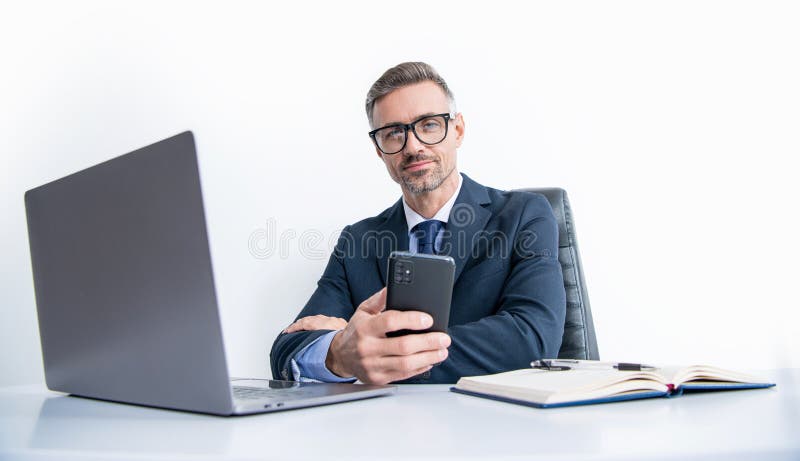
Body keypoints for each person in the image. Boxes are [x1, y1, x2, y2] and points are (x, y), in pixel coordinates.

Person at [270, 62, 566, 385]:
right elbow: (287, 349)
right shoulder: (357, 242)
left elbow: (533, 339)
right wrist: (339, 353)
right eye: (394, 133)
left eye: (429, 125)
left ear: (458, 130)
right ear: (379, 150)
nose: (413, 146)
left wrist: (381, 353)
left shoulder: (524, 216)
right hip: (386, 418)